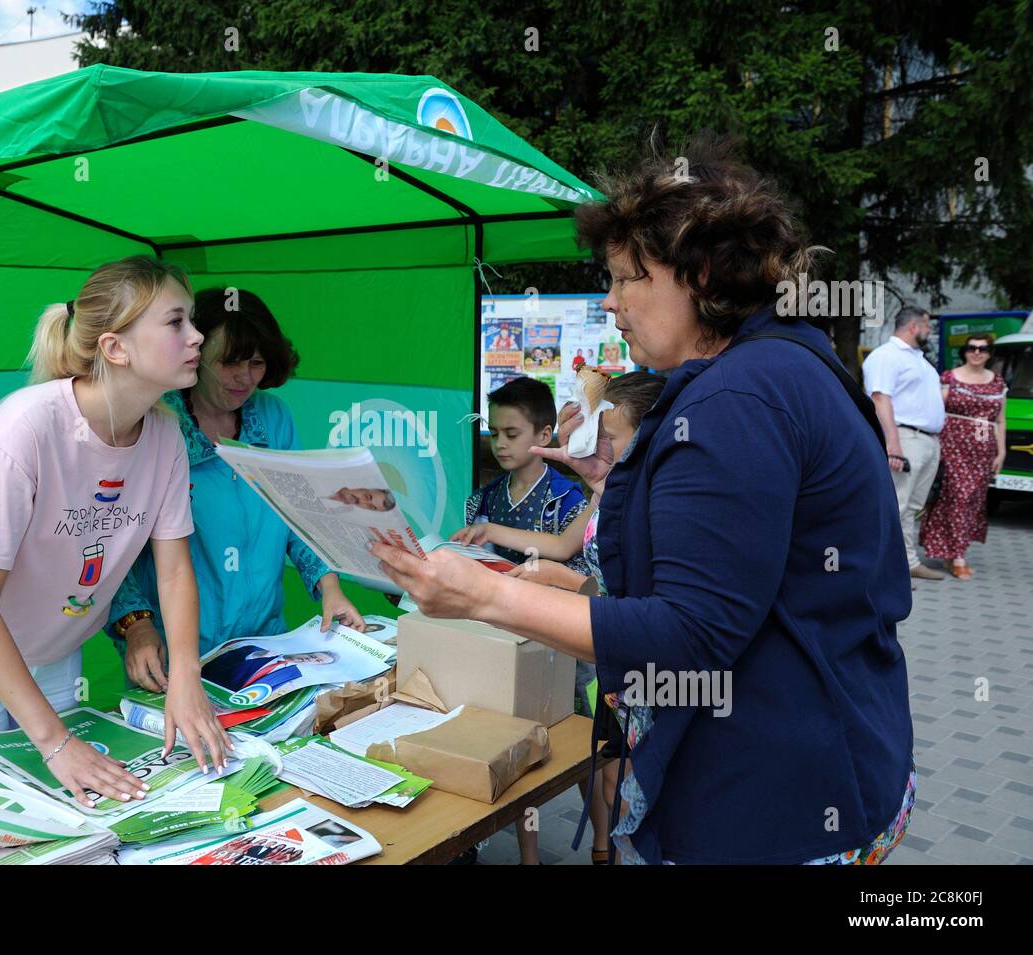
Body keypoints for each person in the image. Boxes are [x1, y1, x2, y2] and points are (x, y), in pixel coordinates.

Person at [371, 137, 915, 865]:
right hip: (835, 760)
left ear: (699, 276)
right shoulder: (790, 361)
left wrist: (477, 595)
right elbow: (739, 573)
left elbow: (691, 633)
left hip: (770, 803)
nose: (610, 301)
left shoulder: (736, 396)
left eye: (627, 278)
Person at [0, 255, 232, 807]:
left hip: (60, 653)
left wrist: (186, 676)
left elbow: (175, 571)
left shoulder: (167, 435)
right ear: (115, 348)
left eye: (193, 320)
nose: (198, 336)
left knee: (65, 814)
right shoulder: (23, 431)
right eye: (176, 322)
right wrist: (56, 743)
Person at [454, 370, 666, 864]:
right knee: (598, 769)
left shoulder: (654, 502)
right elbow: (566, 550)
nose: (595, 447)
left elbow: (627, 595)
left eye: (605, 436)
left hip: (617, 660)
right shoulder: (601, 491)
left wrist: (559, 584)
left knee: (615, 776)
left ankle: (608, 848)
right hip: (607, 657)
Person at [108, 288, 364, 694]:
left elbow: (295, 514)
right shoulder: (157, 421)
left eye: (257, 362)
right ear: (193, 354)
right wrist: (136, 626)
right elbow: (112, 536)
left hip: (265, 644)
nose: (245, 378)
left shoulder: (274, 417)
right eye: (229, 363)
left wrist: (329, 588)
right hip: (176, 654)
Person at [465, 376, 590, 576]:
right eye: (494, 433)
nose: (500, 444)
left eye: (512, 434)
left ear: (544, 435)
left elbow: (581, 575)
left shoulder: (567, 501)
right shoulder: (483, 500)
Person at [862, 306, 947, 581]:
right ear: (913, 326)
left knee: (911, 507)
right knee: (894, 506)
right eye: (927, 326)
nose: (929, 331)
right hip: (904, 438)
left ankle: (907, 563)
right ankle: (885, 572)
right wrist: (893, 444)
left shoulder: (919, 360)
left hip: (926, 440)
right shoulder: (886, 356)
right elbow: (879, 398)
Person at [920, 333, 1008, 578]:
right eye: (971, 348)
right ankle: (958, 557)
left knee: (972, 501)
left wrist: (1001, 452)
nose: (976, 352)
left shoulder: (998, 383)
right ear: (965, 351)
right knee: (958, 496)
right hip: (953, 446)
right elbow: (935, 410)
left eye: (982, 349)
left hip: (982, 450)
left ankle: (952, 553)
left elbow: (1000, 420)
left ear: (989, 353)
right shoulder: (950, 377)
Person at [203, 646, 337, 694]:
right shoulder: (254, 650)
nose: (309, 660)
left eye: (316, 661)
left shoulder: (290, 678)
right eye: (312, 656)